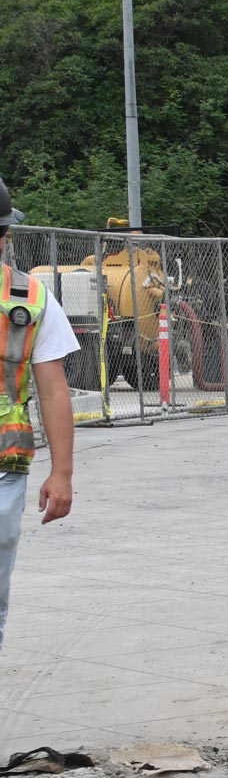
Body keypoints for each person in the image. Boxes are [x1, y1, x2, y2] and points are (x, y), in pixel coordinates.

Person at [0, 180, 77, 656]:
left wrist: (63, 471)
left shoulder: (29, 300)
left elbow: (52, 389)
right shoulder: (26, 297)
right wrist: (62, 473)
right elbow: (52, 388)